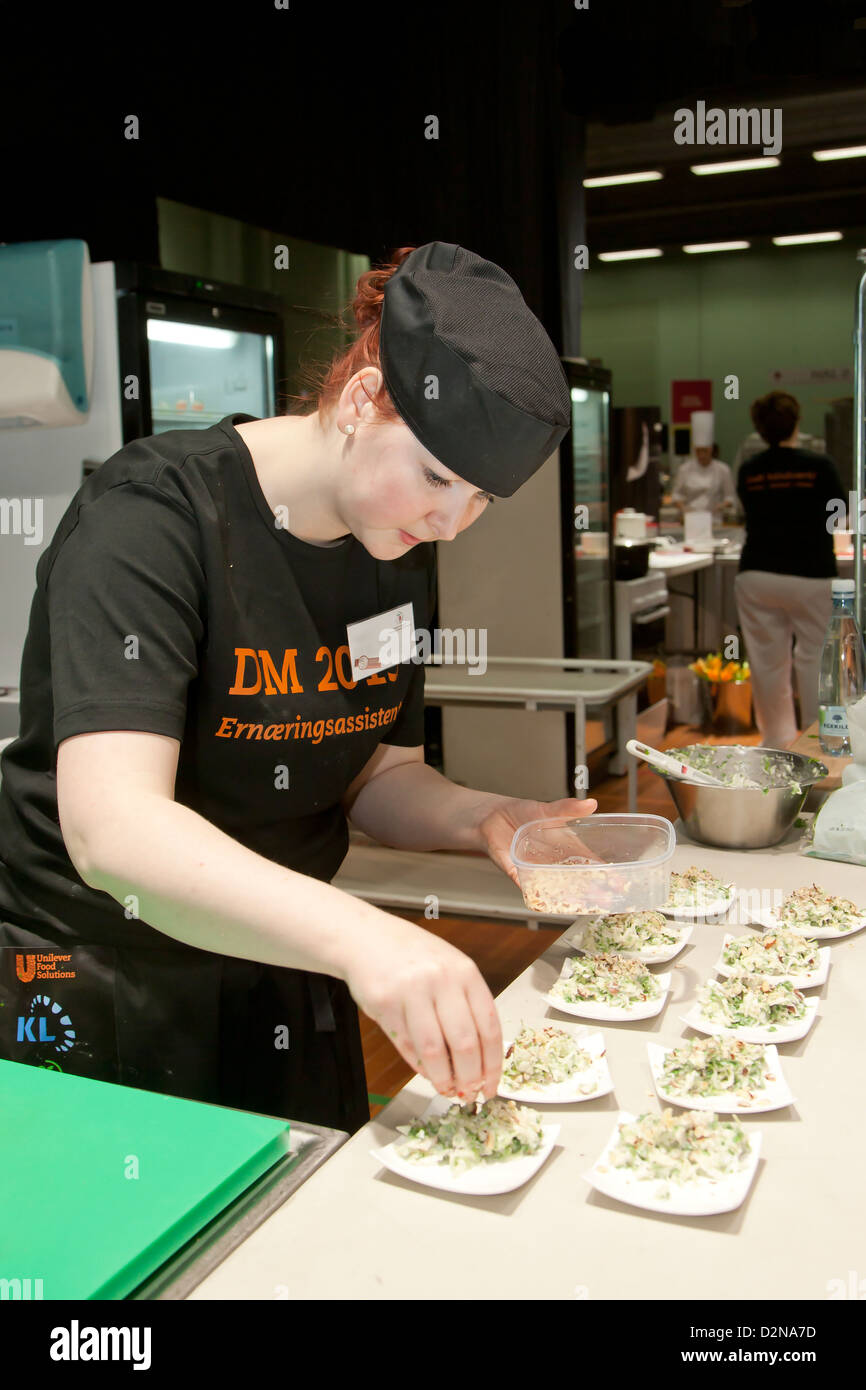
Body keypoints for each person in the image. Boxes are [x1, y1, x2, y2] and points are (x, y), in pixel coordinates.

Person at [0, 242, 597, 1133]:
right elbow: (112, 831)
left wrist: (482, 819)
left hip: (281, 955)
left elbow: (376, 776)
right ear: (361, 402)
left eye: (479, 500)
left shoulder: (393, 546)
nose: (450, 523)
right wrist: (363, 935)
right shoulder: (152, 519)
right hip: (109, 971)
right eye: (437, 477)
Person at [734, 390, 844, 747]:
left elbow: (748, 511)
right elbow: (840, 514)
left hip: (758, 575)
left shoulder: (750, 470)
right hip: (811, 575)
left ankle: (778, 749)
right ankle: (817, 744)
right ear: (796, 422)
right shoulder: (820, 466)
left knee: (768, 666)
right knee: (814, 660)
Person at [670, 410, 739, 520]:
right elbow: (676, 495)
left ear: (711, 449)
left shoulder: (723, 469)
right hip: (690, 518)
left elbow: (730, 497)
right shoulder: (685, 469)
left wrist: (720, 506)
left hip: (714, 519)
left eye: (705, 451)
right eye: (698, 451)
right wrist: (683, 508)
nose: (701, 455)